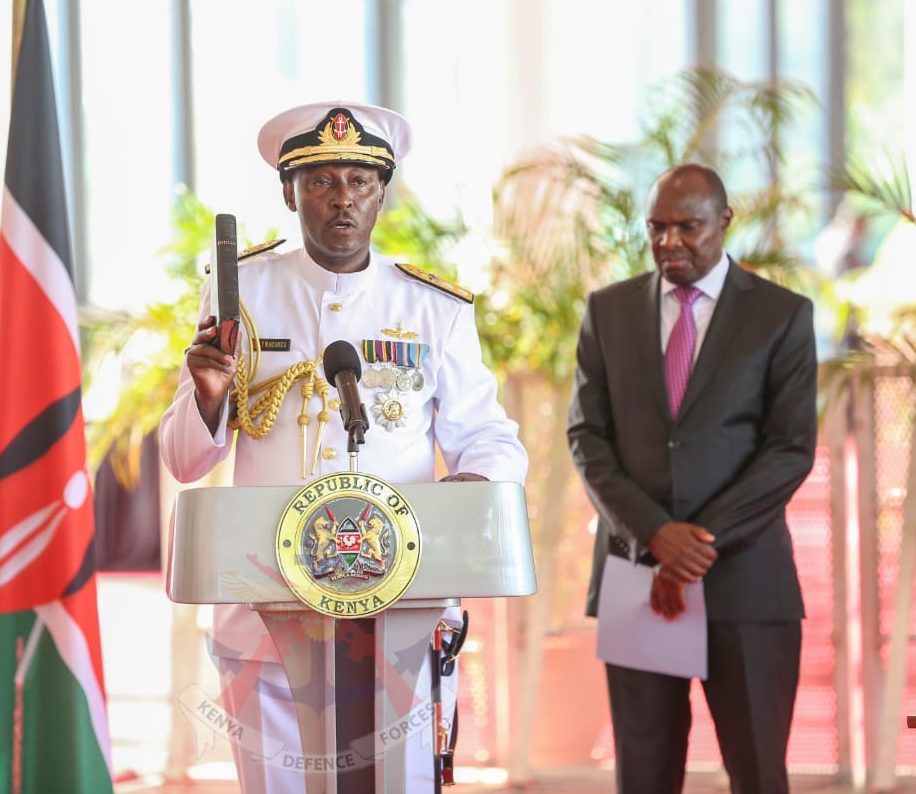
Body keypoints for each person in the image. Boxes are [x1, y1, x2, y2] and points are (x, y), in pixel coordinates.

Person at [159, 100, 528, 790]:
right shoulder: (242, 292)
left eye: (359, 181)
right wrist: (209, 392)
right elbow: (184, 458)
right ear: (289, 191)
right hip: (264, 607)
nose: (342, 198)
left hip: (400, 609)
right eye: (321, 180)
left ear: (382, 192)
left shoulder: (433, 308)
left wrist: (467, 494)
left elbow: (489, 438)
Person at [566, 164, 817, 793]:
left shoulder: (781, 315)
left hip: (746, 580)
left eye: (688, 227)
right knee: (644, 772)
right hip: (635, 571)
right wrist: (656, 535)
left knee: (758, 768)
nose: (669, 242)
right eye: (657, 228)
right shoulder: (608, 311)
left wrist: (696, 542)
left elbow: (789, 449)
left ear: (724, 223)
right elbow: (587, 439)